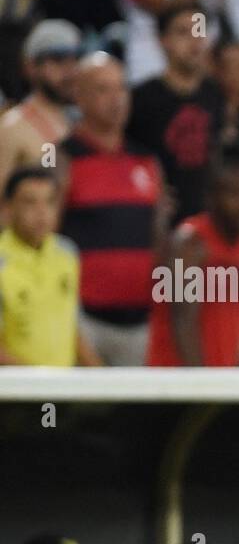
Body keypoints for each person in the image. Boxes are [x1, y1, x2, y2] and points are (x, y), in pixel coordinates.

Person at [59, 52, 165, 367]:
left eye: (121, 88)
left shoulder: (147, 161)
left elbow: (157, 237)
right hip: (83, 318)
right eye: (103, 89)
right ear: (79, 97)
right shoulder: (62, 159)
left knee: (131, 415)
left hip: (138, 320)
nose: (116, 99)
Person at [147, 160, 239, 367]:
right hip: (177, 382)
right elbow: (183, 323)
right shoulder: (190, 244)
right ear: (211, 198)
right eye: (235, 194)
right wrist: (201, 388)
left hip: (224, 378)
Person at [126, 2, 225, 225]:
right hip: (155, 218)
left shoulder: (215, 94)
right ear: (163, 40)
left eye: (200, 30)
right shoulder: (140, 99)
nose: (195, 41)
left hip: (205, 218)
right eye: (183, 32)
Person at [0, 167, 99, 367]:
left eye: (50, 202)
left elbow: (72, 328)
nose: (41, 212)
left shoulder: (67, 253)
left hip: (60, 390)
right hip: (13, 391)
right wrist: (39, 381)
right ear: (8, 208)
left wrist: (103, 378)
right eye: (30, 202)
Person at [0, 19, 80, 193]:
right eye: (58, 60)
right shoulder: (12, 127)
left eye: (75, 59)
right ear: (30, 66)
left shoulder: (80, 122)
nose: (70, 70)